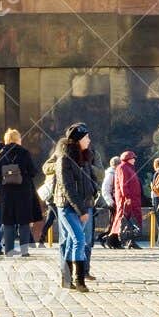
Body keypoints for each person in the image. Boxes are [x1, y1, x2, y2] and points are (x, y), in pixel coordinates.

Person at [46, 123, 98, 292]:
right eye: (86, 137)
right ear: (78, 139)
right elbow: (67, 187)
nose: (89, 140)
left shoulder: (85, 157)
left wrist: (94, 192)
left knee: (71, 241)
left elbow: (90, 179)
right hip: (67, 206)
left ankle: (66, 280)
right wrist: (81, 210)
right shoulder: (63, 159)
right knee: (79, 239)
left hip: (85, 204)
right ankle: (79, 279)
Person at [0, 130, 38, 258]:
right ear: (18, 139)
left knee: (8, 221)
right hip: (23, 192)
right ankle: (24, 251)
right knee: (24, 221)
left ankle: (9, 250)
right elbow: (33, 171)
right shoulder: (24, 153)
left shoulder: (1, 154)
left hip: (7, 193)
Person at [109, 150, 144, 248]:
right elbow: (123, 183)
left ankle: (129, 241)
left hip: (132, 199)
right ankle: (113, 240)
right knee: (124, 219)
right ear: (128, 159)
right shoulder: (123, 168)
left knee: (130, 220)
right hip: (127, 199)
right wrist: (127, 197)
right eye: (133, 158)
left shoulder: (128, 168)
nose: (134, 160)